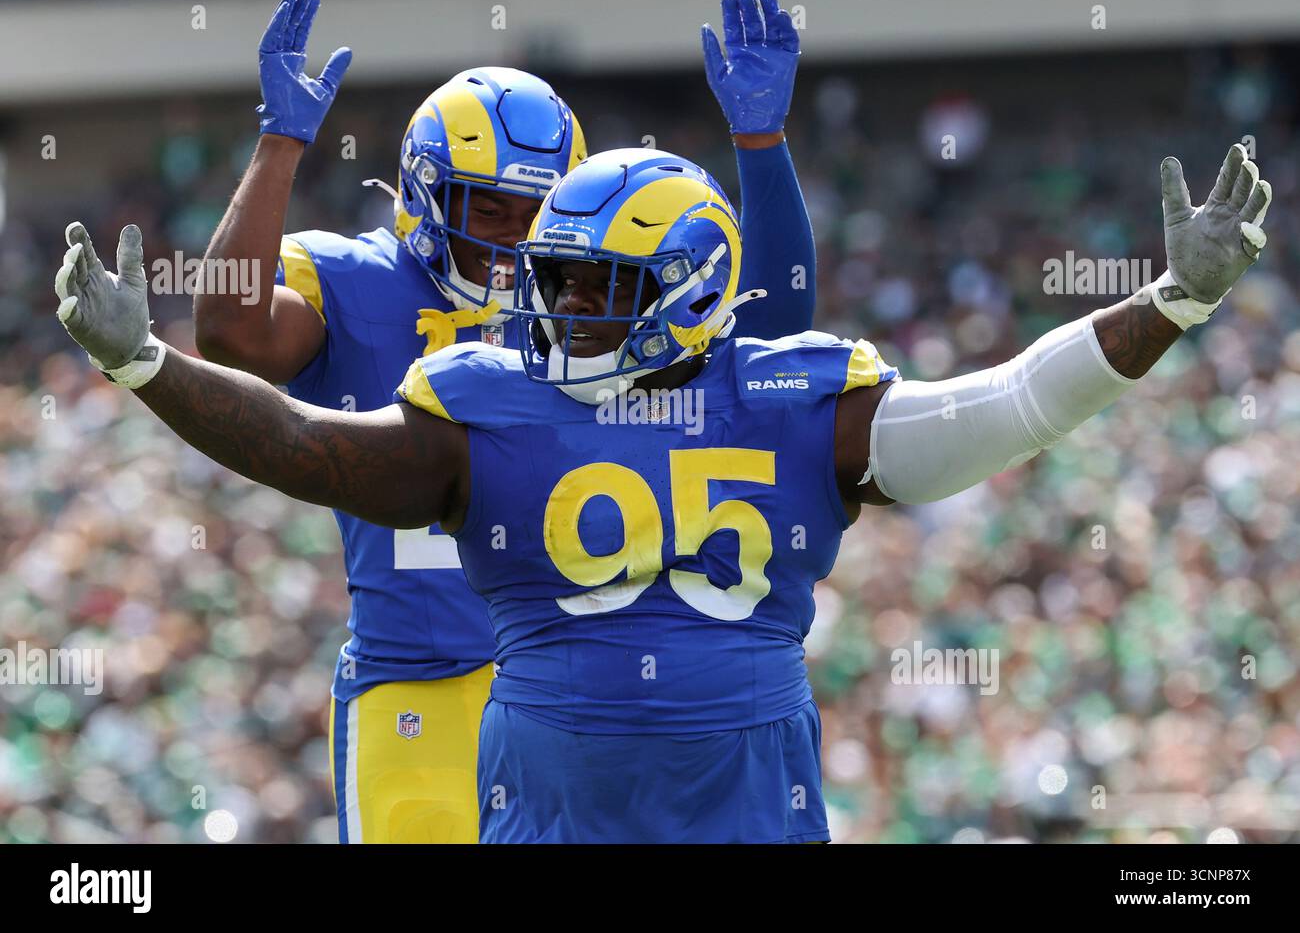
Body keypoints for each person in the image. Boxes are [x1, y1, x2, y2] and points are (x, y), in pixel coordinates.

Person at [54, 140, 1270, 841]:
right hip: (556, 799)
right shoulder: (484, 400)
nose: (556, 308)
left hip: (743, 795)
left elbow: (1004, 403)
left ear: (688, 291)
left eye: (593, 286)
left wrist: (1171, 302)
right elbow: (304, 442)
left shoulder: (798, 399)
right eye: (555, 280)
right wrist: (145, 362)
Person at [189, 0, 815, 842]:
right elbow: (230, 332)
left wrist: (762, 147)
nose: (511, 236)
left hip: (577, 689)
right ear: (423, 190)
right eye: (487, 206)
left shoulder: (601, 312)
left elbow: (772, 326)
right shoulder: (357, 280)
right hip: (421, 682)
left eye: (535, 209)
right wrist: (280, 142)